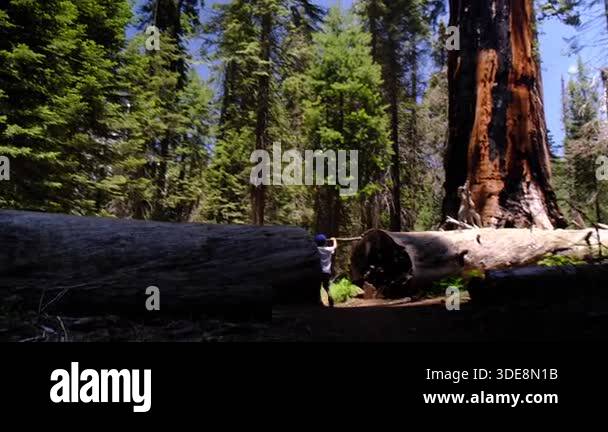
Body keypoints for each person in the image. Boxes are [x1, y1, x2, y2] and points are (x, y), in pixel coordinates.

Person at [315, 233, 337, 307]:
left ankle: (319, 301)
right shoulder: (328, 250)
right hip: (326, 272)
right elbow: (335, 246)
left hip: (318, 272)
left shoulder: (315, 250)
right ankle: (330, 299)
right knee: (326, 287)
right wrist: (334, 240)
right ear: (325, 242)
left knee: (317, 287)